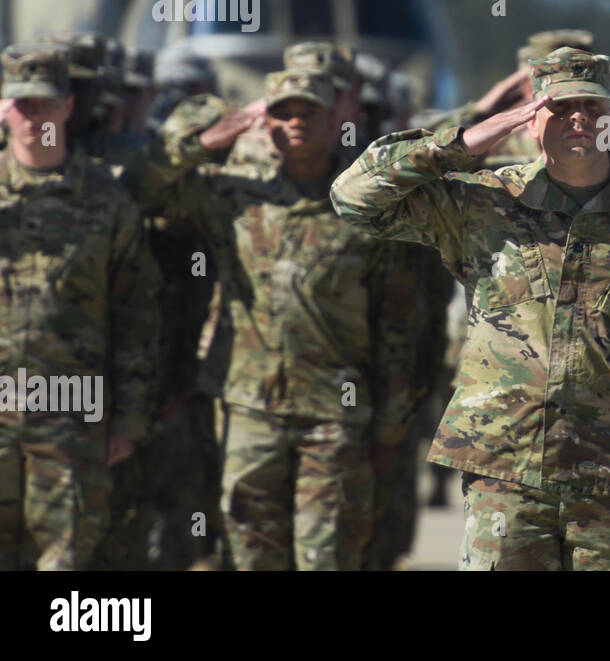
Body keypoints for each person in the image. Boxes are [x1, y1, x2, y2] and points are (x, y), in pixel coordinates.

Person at [331, 48, 610, 570]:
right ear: (531, 118)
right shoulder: (484, 203)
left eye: (593, 108)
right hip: (504, 475)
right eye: (560, 105)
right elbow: (354, 198)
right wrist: (465, 139)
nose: (579, 119)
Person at [139, 69, 423, 569]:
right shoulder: (232, 196)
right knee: (251, 555)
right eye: (282, 112)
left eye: (309, 112)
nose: (296, 123)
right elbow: (146, 190)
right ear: (263, 123)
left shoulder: (363, 203)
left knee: (328, 556)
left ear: (336, 119)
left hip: (335, 415)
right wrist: (209, 139)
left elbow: (395, 326)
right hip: (251, 411)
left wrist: (389, 430)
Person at [0, 44, 160, 569]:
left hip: (72, 416)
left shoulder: (106, 200)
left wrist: (128, 420)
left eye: (44, 105)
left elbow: (135, 315)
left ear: (69, 107)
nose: (32, 118)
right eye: (21, 105)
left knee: (64, 564)